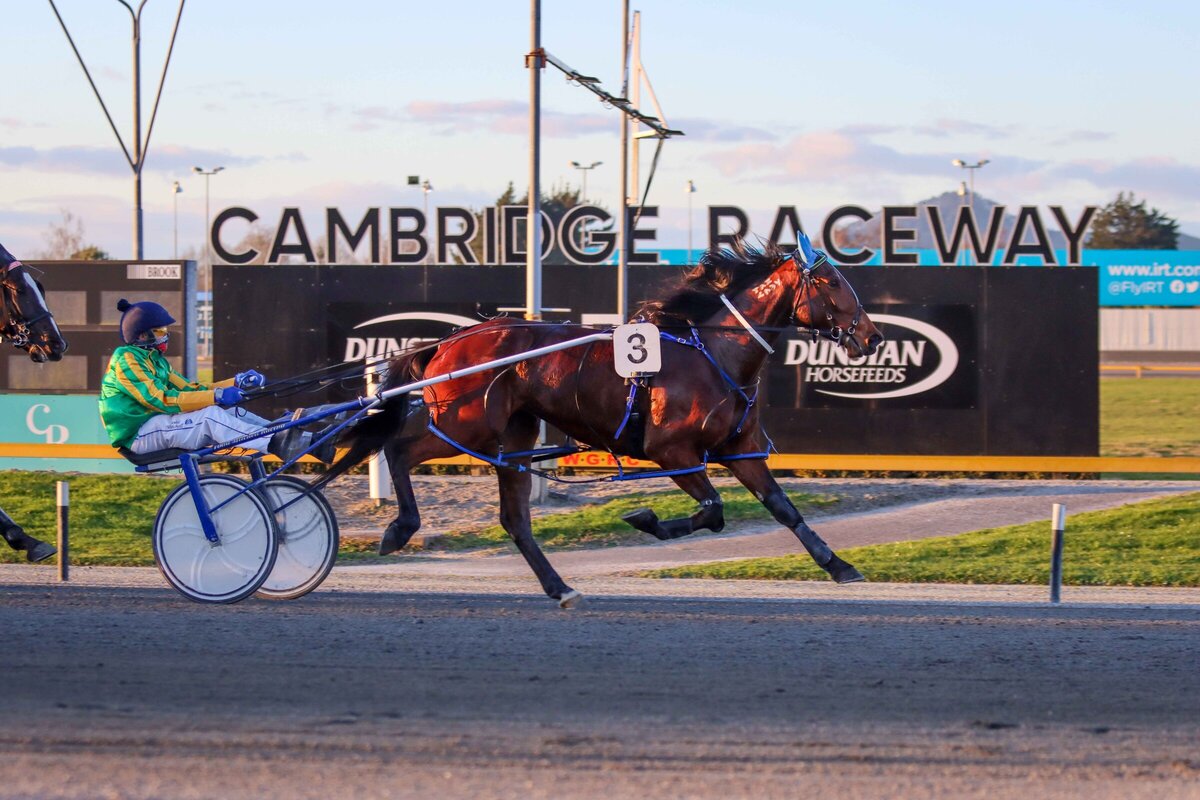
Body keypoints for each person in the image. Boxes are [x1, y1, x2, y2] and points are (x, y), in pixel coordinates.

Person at [99, 299, 337, 463]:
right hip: (138, 434)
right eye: (160, 331)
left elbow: (194, 389)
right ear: (142, 335)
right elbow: (161, 400)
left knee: (233, 411)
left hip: (156, 425)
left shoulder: (156, 361)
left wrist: (234, 383)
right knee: (210, 416)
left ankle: (311, 443)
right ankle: (277, 443)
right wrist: (216, 397)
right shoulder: (127, 359)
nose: (166, 334)